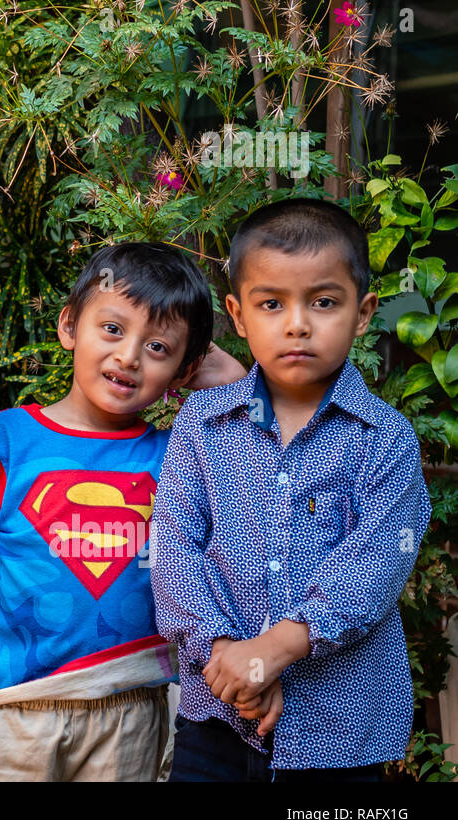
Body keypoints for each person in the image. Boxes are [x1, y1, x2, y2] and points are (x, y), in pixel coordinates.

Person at [0, 241, 246, 781]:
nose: (128, 357)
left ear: (184, 370)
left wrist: (227, 373)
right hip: (11, 709)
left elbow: (253, 441)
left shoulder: (177, 456)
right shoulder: (9, 438)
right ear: (70, 326)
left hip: (129, 702)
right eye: (113, 330)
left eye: (158, 349)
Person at [152, 198, 432, 781]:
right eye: (272, 304)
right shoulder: (202, 424)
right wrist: (230, 660)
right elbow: (174, 547)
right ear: (237, 314)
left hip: (342, 730)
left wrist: (276, 649)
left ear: (363, 313)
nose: (298, 323)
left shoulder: (386, 440)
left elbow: (378, 562)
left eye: (324, 302)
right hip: (218, 717)